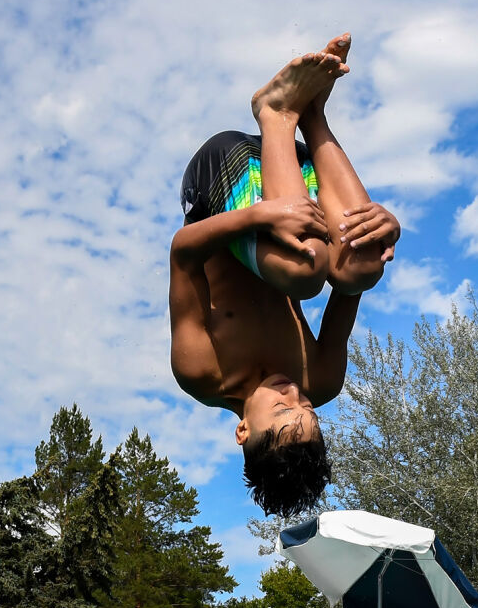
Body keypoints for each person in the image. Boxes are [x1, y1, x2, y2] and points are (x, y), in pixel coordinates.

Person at [170, 34, 400, 517]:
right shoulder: (322, 378)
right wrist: (384, 230)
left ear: (243, 431)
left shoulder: (201, 372)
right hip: (289, 175)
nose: (293, 392)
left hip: (223, 181)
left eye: (280, 407)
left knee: (304, 270)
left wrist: (257, 216)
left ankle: (275, 112)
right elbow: (353, 280)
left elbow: (184, 251)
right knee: (358, 267)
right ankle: (312, 115)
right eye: (307, 408)